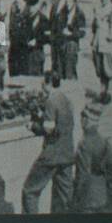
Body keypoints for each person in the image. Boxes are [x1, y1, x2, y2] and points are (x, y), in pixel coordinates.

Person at [21, 70, 75, 213]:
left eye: (44, 82)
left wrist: (32, 126)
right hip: (68, 153)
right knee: (63, 196)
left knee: (30, 190)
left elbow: (48, 129)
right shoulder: (66, 99)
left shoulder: (51, 100)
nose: (42, 85)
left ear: (49, 83)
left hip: (52, 154)